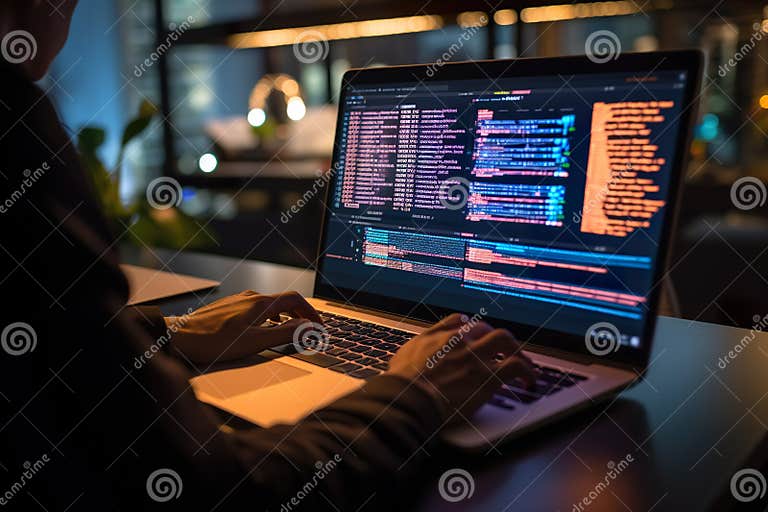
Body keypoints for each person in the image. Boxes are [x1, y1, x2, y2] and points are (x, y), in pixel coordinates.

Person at [0, 1, 535, 509]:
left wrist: (165, 336)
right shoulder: (14, 129)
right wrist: (417, 393)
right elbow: (227, 493)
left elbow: (51, 354)